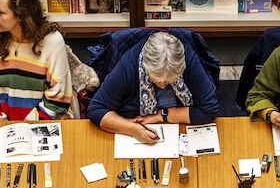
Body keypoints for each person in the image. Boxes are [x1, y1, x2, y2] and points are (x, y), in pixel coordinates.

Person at [88, 31, 219, 142]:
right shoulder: (129, 65)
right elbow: (96, 110)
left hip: (178, 129)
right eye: (156, 80)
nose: (162, 86)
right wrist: (132, 129)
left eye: (169, 81)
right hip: (137, 123)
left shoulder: (187, 60)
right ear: (146, 66)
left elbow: (209, 108)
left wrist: (162, 115)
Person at [0, 0, 73, 120]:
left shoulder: (53, 42)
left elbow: (58, 96)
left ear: (21, 16)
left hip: (41, 121)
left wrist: (29, 125)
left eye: (0, 12)